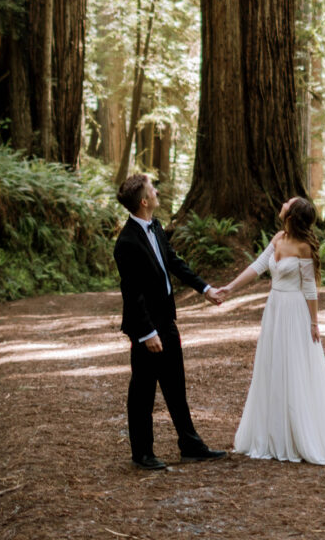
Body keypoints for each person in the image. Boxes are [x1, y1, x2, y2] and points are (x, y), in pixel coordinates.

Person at [212, 196, 325, 468]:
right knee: (272, 366)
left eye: (288, 202)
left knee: (294, 368)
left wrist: (314, 322)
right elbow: (258, 266)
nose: (284, 202)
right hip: (275, 309)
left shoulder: (303, 248)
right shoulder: (278, 238)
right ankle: (271, 433)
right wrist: (229, 288)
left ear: (291, 214)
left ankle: (298, 432)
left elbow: (310, 288)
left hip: (295, 312)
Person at [114, 172, 228, 471]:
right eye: (152, 189)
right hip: (146, 328)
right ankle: (142, 453)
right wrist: (148, 332)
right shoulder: (127, 241)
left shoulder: (156, 227)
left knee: (176, 385)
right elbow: (132, 292)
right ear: (143, 201)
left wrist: (205, 289)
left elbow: (174, 262)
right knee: (142, 390)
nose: (156, 192)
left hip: (167, 320)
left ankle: (190, 444)